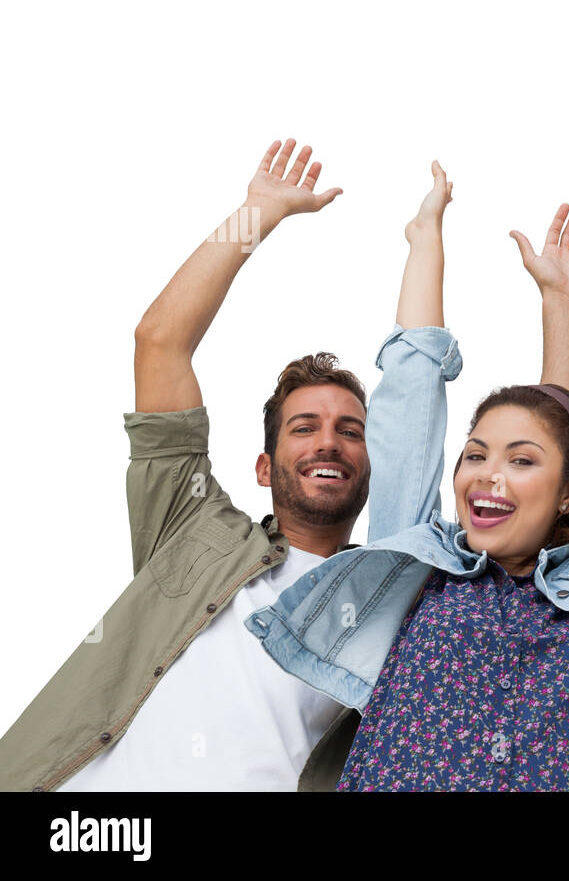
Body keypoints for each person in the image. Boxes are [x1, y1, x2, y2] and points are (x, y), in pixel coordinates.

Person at [245, 158, 569, 790]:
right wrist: (425, 241)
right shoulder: (417, 566)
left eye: (521, 461)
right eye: (476, 454)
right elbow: (407, 413)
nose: (489, 476)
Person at [0, 138, 412, 791]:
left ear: (373, 464)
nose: (328, 443)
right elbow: (159, 343)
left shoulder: (399, 609)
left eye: (351, 431)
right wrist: (260, 212)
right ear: (262, 465)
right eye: (304, 428)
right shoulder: (192, 525)